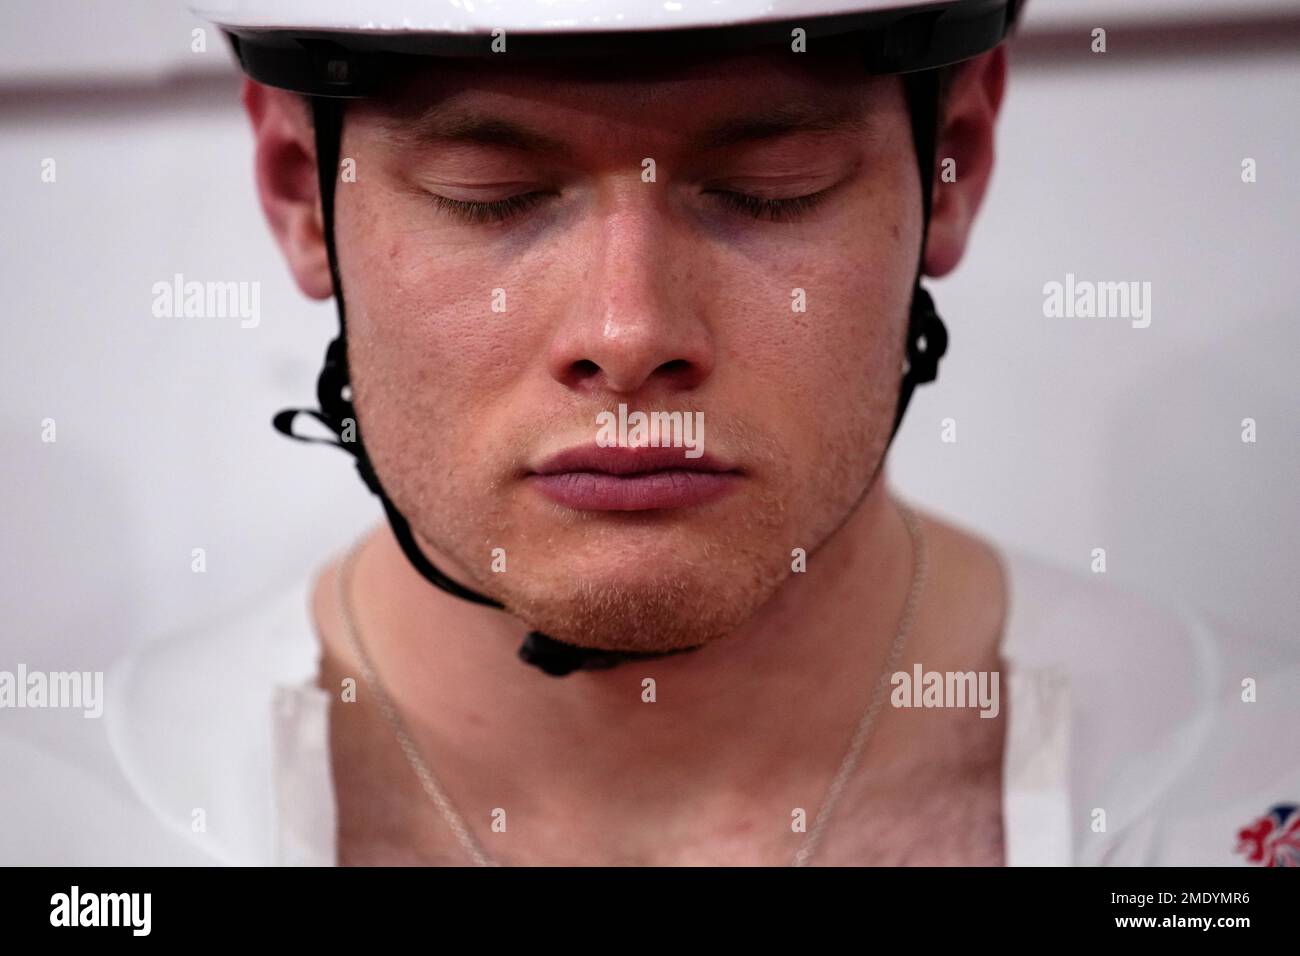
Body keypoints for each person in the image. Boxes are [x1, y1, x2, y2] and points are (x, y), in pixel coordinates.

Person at [3, 0, 1296, 867]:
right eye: (492, 196)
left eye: (765, 190)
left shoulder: (1246, 786)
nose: (629, 333)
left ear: (950, 164)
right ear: (299, 193)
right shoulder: (65, 827)